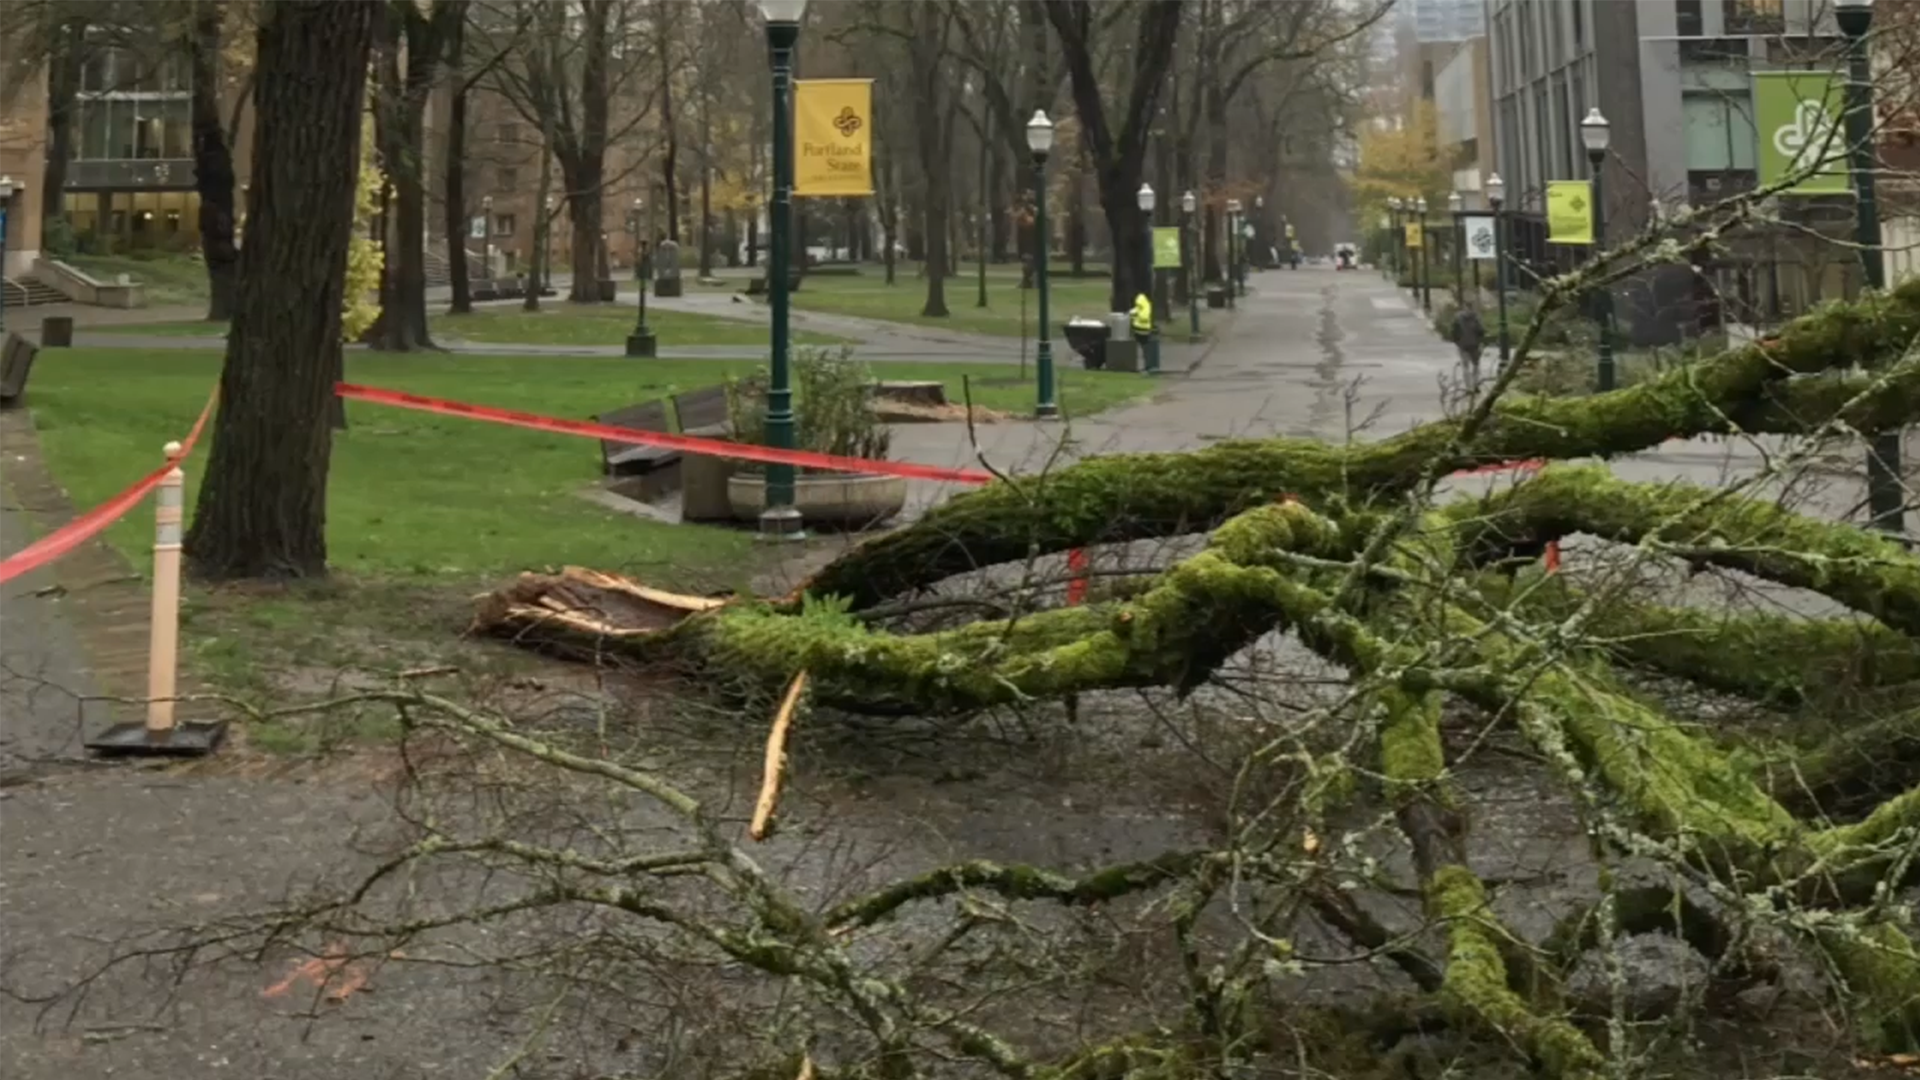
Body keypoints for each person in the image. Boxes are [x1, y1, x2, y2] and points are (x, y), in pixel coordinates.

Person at [1452, 302, 1486, 386]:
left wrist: (1458, 342)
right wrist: (1481, 341)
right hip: (1475, 345)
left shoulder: (1458, 318)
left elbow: (1453, 332)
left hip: (1463, 345)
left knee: (1465, 366)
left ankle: (1468, 386)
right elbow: (1481, 331)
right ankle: (1475, 383)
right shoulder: (1476, 318)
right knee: (1476, 365)